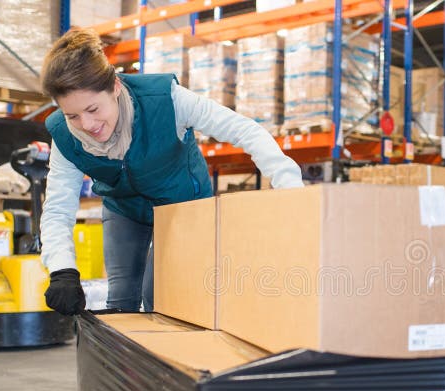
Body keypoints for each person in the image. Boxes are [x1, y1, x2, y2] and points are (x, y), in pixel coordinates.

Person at [39, 28, 303, 316]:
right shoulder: (64, 136)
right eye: (72, 115)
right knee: (121, 302)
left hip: (182, 205)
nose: (87, 124)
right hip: (125, 209)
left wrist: (292, 192)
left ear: (114, 87)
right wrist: (62, 269)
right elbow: (57, 209)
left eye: (92, 109)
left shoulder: (168, 100)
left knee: (164, 301)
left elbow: (245, 131)